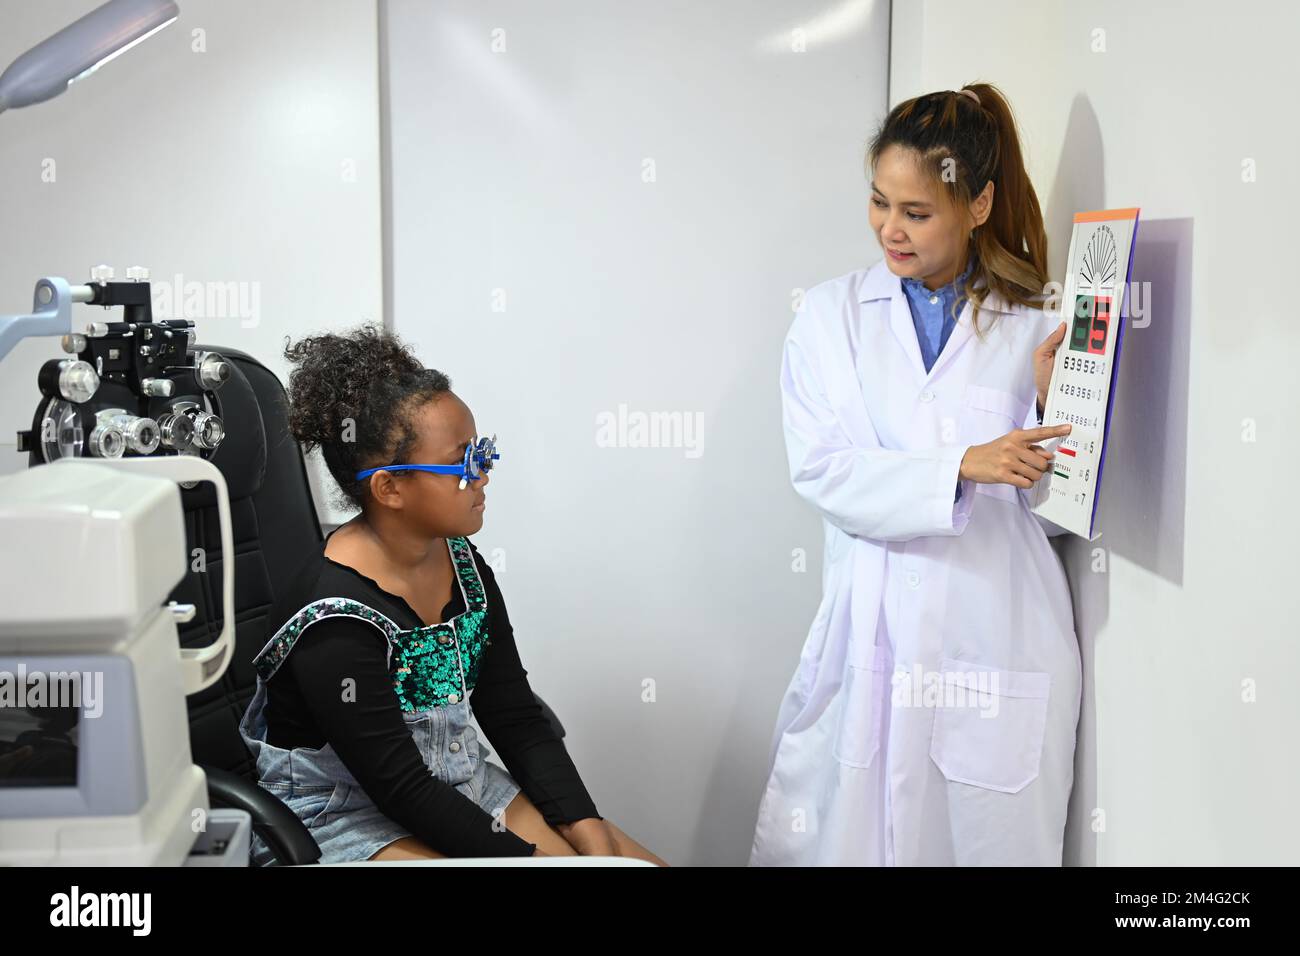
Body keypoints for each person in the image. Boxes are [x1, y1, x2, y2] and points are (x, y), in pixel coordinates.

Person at [749, 84, 1080, 866]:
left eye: (916, 212)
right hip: (868, 634)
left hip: (994, 633)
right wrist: (961, 465)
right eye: (878, 202)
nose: (889, 230)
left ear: (977, 204)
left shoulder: (1037, 324)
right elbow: (824, 472)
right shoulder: (830, 317)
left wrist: (1047, 397)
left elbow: (1063, 515)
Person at [238, 324, 666, 865]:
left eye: (482, 452)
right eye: (463, 462)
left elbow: (513, 715)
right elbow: (400, 787)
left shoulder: (465, 568)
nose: (483, 475)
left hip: (456, 783)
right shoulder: (332, 619)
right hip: (344, 813)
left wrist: (589, 829)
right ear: (389, 488)